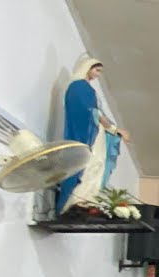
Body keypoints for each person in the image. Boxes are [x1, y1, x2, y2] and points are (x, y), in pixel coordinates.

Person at [56, 58, 129, 214]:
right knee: (89, 163)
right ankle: (77, 199)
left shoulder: (85, 88)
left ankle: (87, 199)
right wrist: (115, 129)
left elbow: (95, 112)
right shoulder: (80, 87)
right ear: (87, 68)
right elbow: (92, 112)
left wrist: (112, 128)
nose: (97, 75)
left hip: (95, 132)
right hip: (89, 133)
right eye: (96, 70)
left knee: (97, 164)